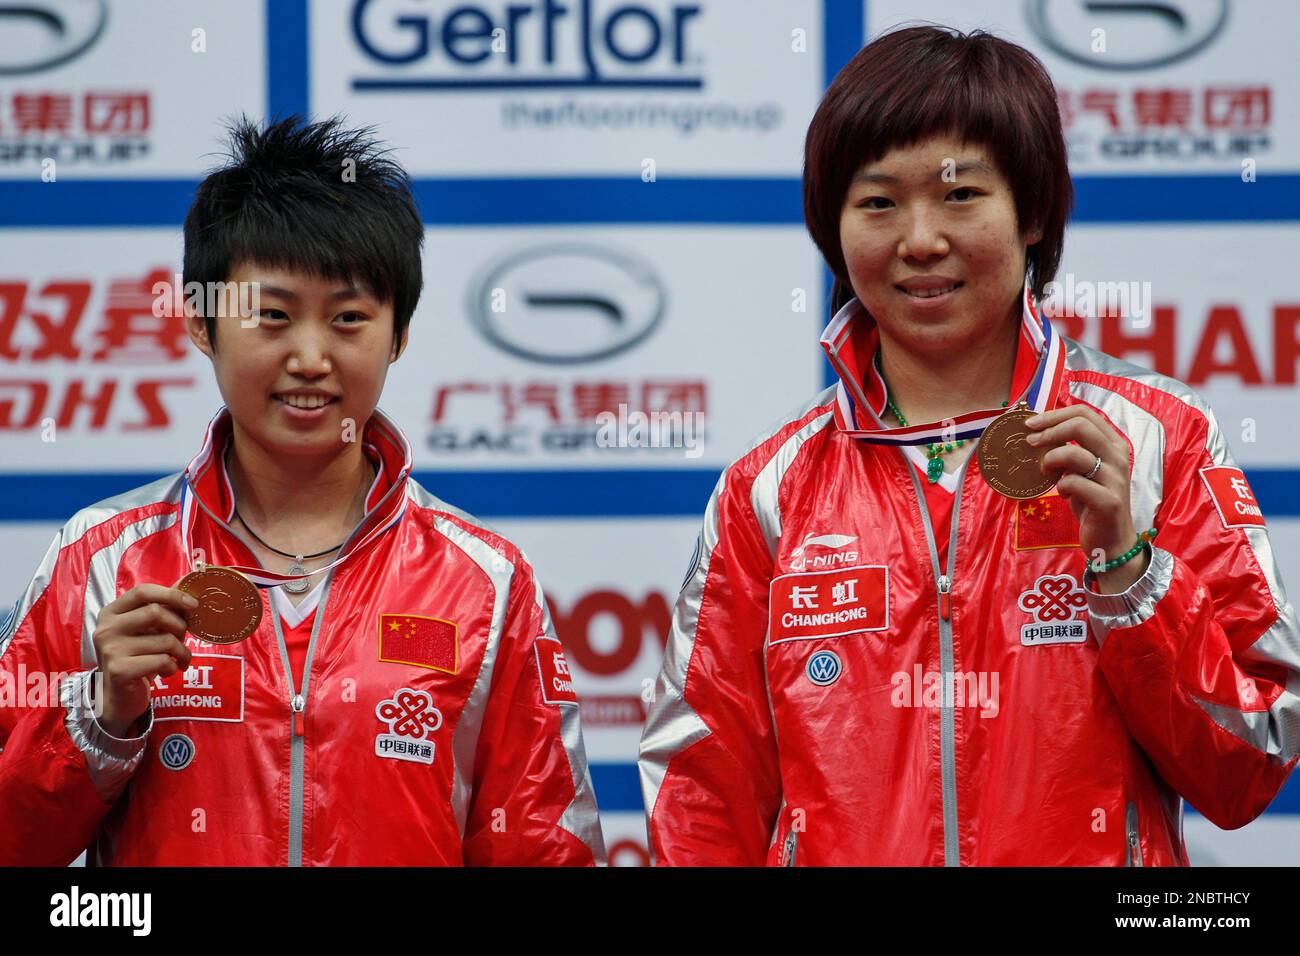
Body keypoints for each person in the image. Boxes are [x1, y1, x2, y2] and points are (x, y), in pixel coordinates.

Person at [638, 25, 1299, 866]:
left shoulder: (1157, 438)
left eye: (960, 195)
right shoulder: (769, 488)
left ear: (1031, 214)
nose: (919, 239)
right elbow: (701, 796)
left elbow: (1251, 765)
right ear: (833, 227)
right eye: (877, 202)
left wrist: (1130, 571)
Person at [0, 116, 605, 866]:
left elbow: (546, 848)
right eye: (273, 316)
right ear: (200, 320)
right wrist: (101, 715)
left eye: (349, 318)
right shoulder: (100, 562)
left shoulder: (483, 581)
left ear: (400, 334)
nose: (311, 358)